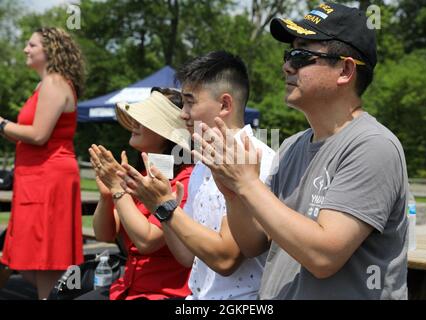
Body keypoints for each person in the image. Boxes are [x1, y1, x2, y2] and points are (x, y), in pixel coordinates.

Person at [193, 3, 409, 299]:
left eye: (302, 55)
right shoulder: (292, 146)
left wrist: (247, 183)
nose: (287, 66)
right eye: (288, 54)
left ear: (345, 70)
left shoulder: (372, 146)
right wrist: (235, 195)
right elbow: (255, 243)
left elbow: (323, 257)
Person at [119, 51, 276, 300]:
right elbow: (186, 256)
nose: (183, 114)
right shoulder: (202, 164)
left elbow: (225, 259)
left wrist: (165, 206)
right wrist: (160, 205)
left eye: (190, 102)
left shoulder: (257, 161)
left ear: (225, 105)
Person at [80, 88, 193, 300]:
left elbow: (147, 241)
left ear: (166, 132)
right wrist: (106, 196)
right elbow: (104, 234)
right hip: (127, 288)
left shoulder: (184, 180)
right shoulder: (140, 175)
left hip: (163, 294)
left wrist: (117, 189)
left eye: (145, 119)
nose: (134, 123)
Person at [0, 27, 85, 299]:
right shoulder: (47, 83)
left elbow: (38, 134)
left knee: (45, 257)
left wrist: (1, 124)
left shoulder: (54, 82)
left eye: (31, 45)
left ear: (50, 50)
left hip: (47, 178)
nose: (26, 49)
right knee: (27, 259)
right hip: (36, 177)